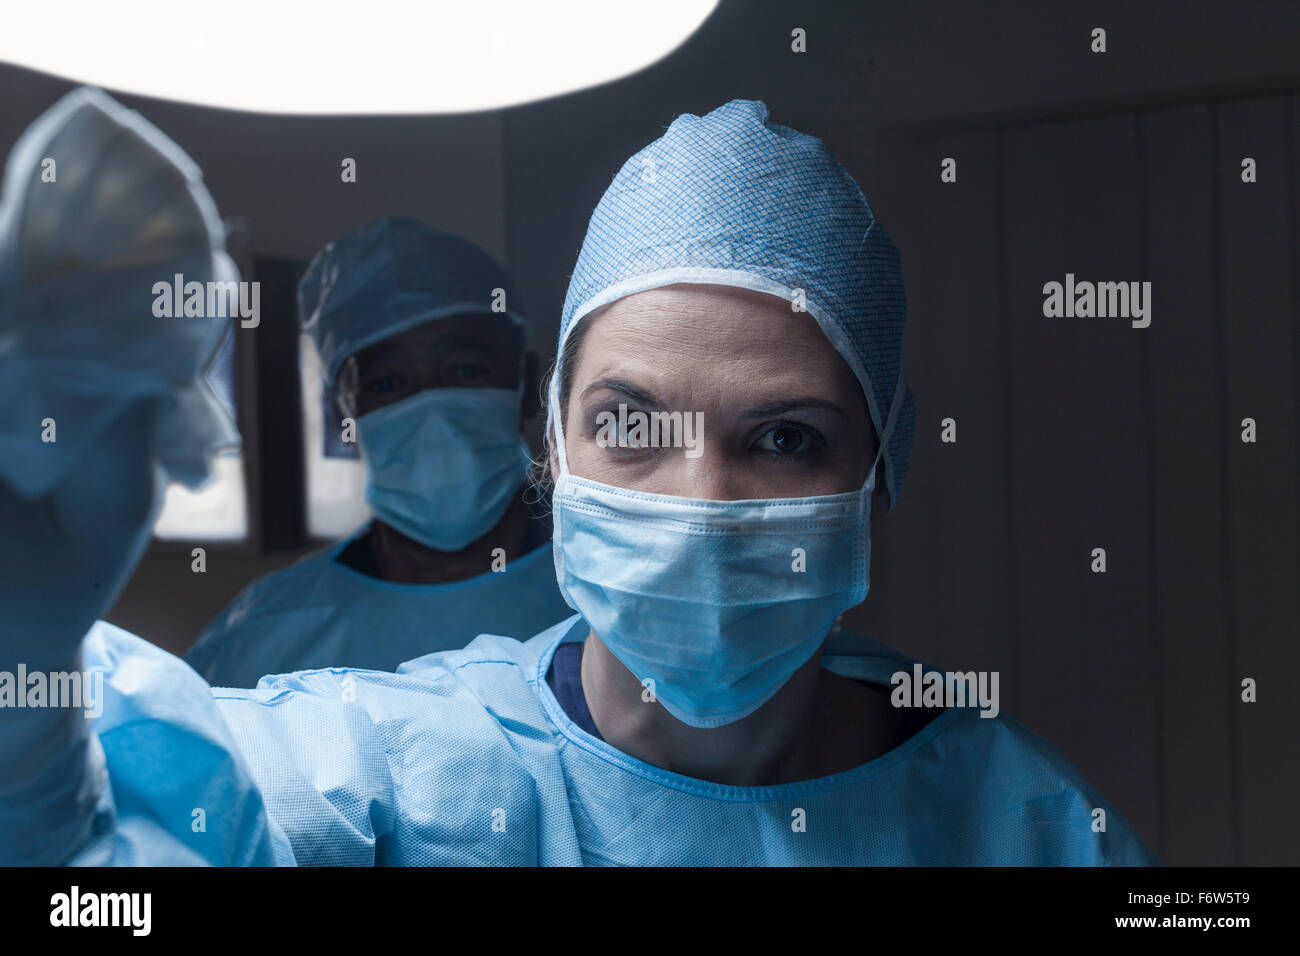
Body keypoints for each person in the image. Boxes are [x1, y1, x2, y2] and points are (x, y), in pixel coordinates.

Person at [0, 93, 1159, 866]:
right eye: (631, 420)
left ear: (881, 467)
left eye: (785, 437)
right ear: (552, 444)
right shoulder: (393, 777)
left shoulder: (1026, 825)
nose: (699, 502)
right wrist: (26, 667)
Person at [184, 218, 572, 687]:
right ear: (339, 414)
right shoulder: (263, 638)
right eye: (388, 382)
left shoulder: (608, 596)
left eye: (466, 369)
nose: (433, 410)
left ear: (529, 382)